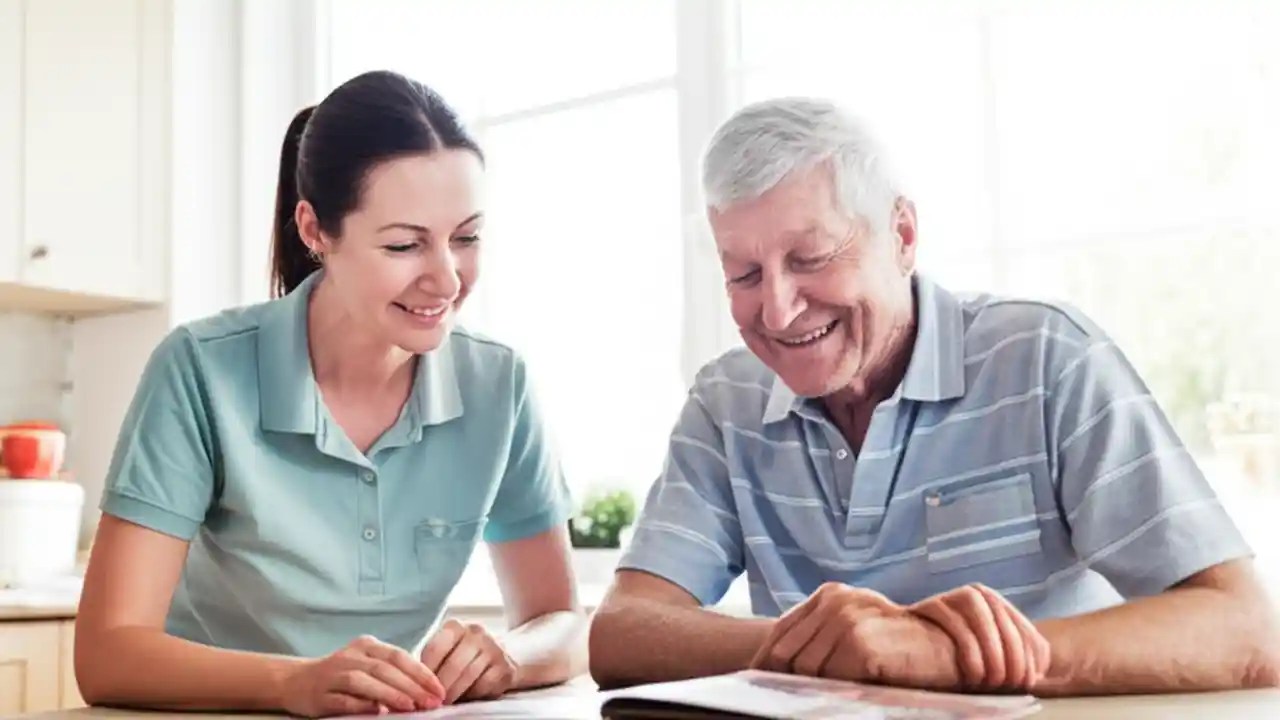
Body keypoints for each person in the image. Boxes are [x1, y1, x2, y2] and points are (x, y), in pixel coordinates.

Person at [590, 97, 1280, 695]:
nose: (776, 310)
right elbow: (622, 633)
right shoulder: (725, 402)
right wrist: (840, 649)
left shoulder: (1045, 356)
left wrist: (949, 654)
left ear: (903, 235)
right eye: (743, 273)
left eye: (812, 258)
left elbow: (1246, 632)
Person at [74, 70, 586, 717]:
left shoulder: (499, 384)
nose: (447, 279)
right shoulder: (200, 370)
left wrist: (511, 657)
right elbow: (107, 654)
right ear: (315, 230)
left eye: (466, 237)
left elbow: (562, 620)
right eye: (404, 244)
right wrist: (293, 683)